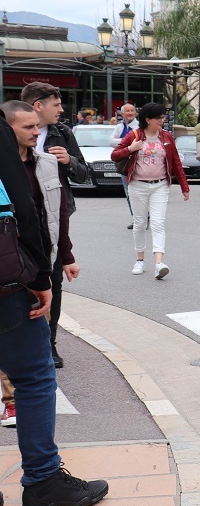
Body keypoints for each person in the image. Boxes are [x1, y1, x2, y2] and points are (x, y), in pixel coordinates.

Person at [0, 110, 108, 506]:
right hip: (8, 286)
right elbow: (25, 215)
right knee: (34, 377)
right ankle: (43, 481)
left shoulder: (42, 157)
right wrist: (42, 278)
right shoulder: (5, 149)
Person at [20, 83, 91, 368]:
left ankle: (49, 343)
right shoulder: (10, 130)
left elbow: (84, 174)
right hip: (18, 217)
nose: (61, 110)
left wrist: (69, 161)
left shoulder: (63, 133)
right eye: (56, 104)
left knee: (53, 280)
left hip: (55, 216)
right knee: (20, 278)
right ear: (38, 106)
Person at [112, 102, 190, 278]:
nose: (162, 120)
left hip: (160, 185)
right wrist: (131, 148)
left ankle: (159, 263)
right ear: (147, 119)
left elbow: (176, 162)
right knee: (140, 223)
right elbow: (115, 155)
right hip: (137, 185)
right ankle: (139, 260)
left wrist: (185, 187)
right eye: (159, 117)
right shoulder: (135, 135)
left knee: (157, 223)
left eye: (163, 117)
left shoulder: (167, 137)